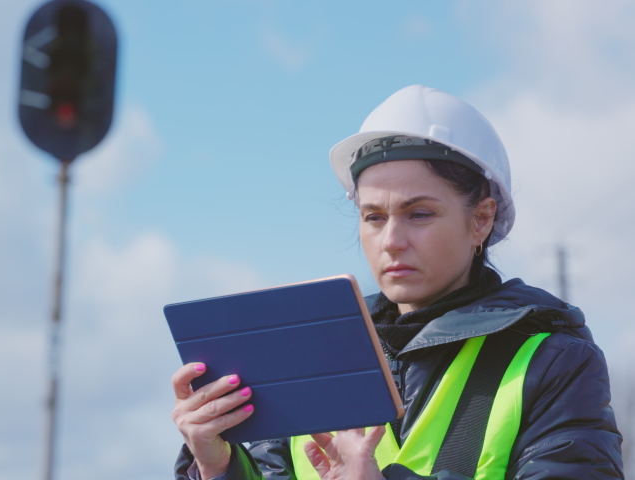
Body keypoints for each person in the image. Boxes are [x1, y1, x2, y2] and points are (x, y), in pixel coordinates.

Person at [170, 85, 624, 480]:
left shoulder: (555, 360)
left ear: (481, 220)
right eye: (373, 217)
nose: (391, 241)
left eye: (419, 214)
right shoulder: (309, 355)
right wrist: (218, 466)